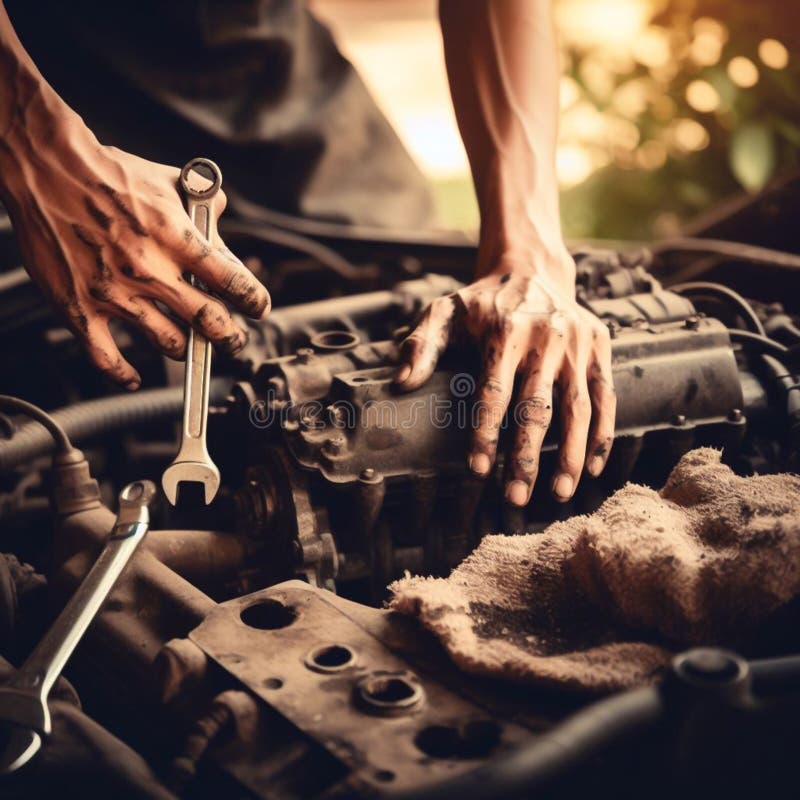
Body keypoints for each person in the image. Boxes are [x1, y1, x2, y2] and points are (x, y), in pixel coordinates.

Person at [0, 0, 614, 508]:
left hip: (273, 82)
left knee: (431, 294)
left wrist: (528, 246)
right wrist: (32, 145)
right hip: (37, 92)